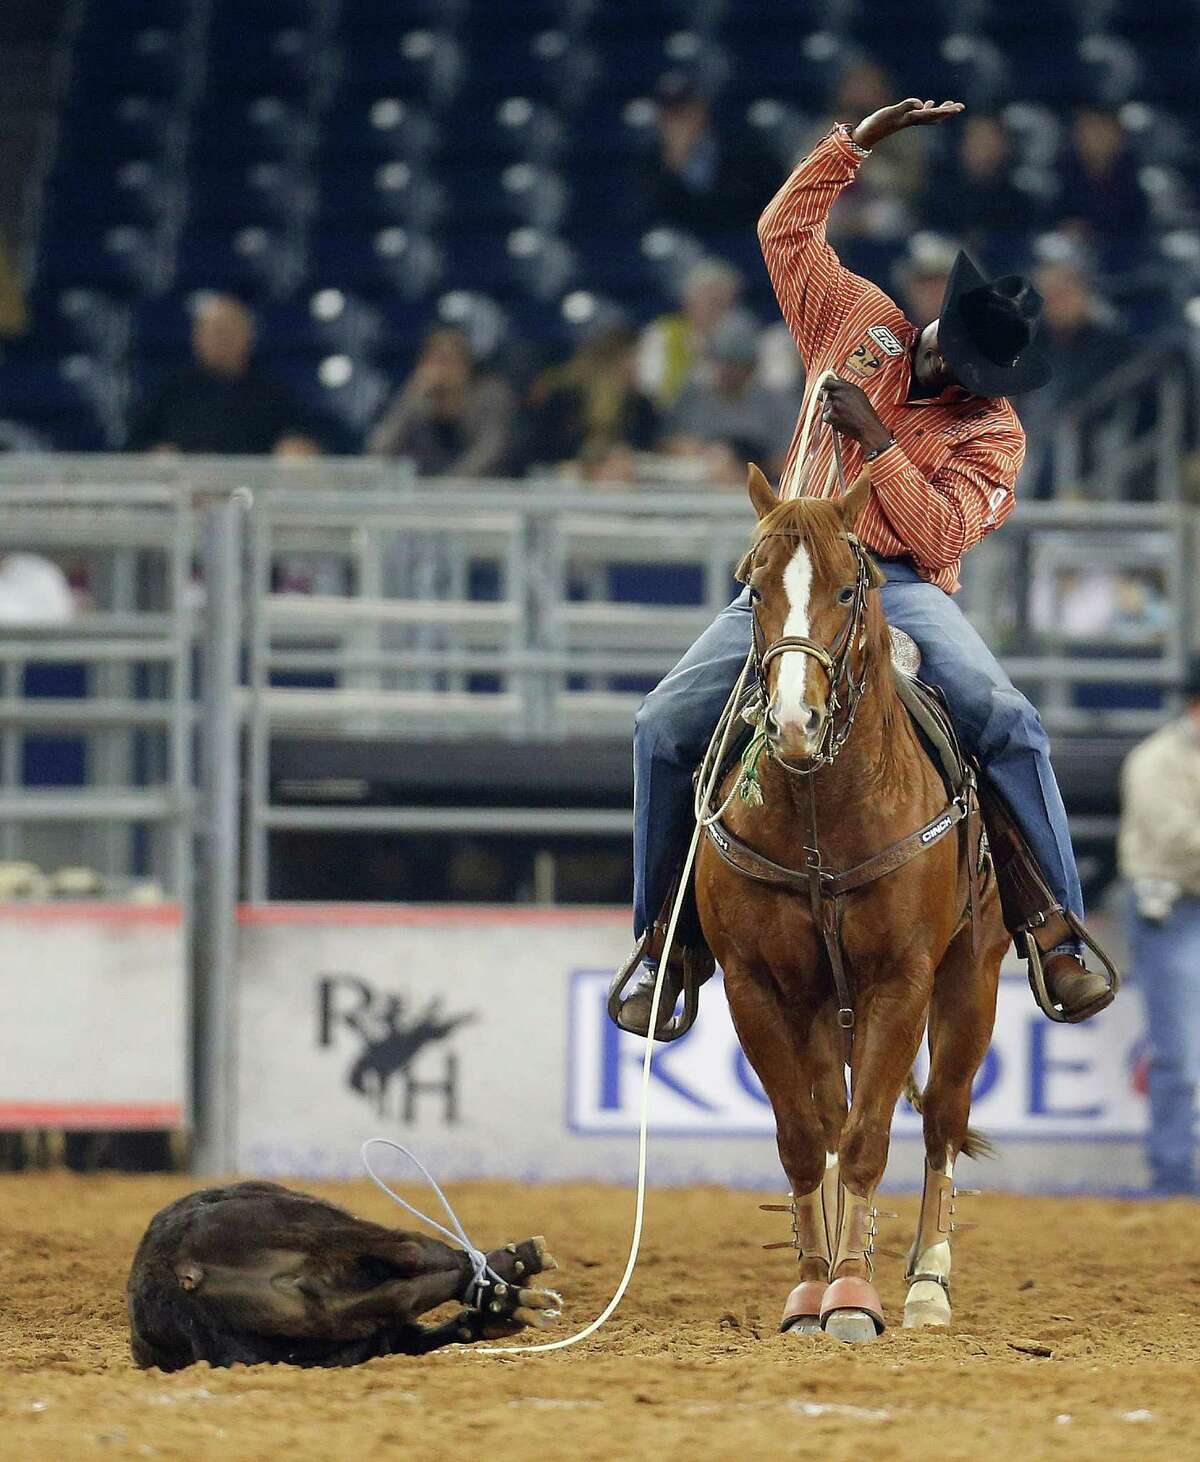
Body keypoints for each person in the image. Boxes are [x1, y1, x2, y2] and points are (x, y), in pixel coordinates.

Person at [613, 96, 1117, 1038]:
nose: (962, 385)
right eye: (956, 361)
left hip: (902, 589)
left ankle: (1054, 930)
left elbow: (942, 542)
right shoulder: (855, 318)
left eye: (981, 380)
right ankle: (663, 941)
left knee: (1007, 719)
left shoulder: (992, 433)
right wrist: (849, 148)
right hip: (792, 570)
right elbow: (783, 230)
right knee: (662, 725)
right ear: (937, 326)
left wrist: (883, 445)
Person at [1119, 659, 1200, 1195]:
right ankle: (1173, 1176)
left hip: (1177, 910)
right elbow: (1178, 841)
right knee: (1181, 1054)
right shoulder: (1156, 760)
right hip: (1171, 909)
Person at [130, 294, 320, 456]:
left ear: (248, 337)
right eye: (215, 333)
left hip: (252, 492)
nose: (222, 341)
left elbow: (302, 436)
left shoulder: (273, 393)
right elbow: (136, 446)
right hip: (187, 491)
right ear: (197, 338)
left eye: (229, 332)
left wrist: (296, 449)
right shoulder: (171, 390)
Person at [640, 71, 778, 240]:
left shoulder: (743, 150)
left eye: (686, 109)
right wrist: (670, 169)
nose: (681, 121)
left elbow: (770, 207)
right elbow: (642, 222)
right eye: (672, 113)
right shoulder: (648, 166)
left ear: (701, 109)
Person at [664, 313, 799, 478]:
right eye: (722, 362)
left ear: (751, 367)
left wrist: (743, 466)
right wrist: (693, 450)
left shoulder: (776, 403)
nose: (727, 372)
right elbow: (665, 443)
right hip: (695, 486)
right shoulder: (693, 396)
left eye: (736, 365)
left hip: (757, 487)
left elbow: (789, 461)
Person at [369, 326, 515, 476]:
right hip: (424, 494)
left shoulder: (490, 396)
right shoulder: (417, 403)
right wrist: (410, 397)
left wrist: (447, 486)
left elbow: (490, 452)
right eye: (436, 360)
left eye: (452, 360)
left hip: (481, 493)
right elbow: (377, 450)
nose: (443, 370)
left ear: (468, 364)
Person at [520, 323, 658, 472]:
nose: (639, 366)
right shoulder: (565, 401)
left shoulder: (641, 407)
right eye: (633, 358)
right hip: (564, 484)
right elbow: (541, 453)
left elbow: (646, 451)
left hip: (623, 486)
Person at [637, 258, 745, 410]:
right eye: (712, 301)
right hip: (673, 418)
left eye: (727, 302)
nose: (719, 310)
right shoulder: (664, 333)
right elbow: (651, 388)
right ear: (689, 300)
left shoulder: (742, 337)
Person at [1056, 108, 1148, 245]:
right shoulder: (1058, 174)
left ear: (1120, 136)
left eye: (1104, 130)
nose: (1098, 137)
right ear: (1075, 136)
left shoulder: (1139, 176)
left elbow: (1138, 226)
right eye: (1090, 130)